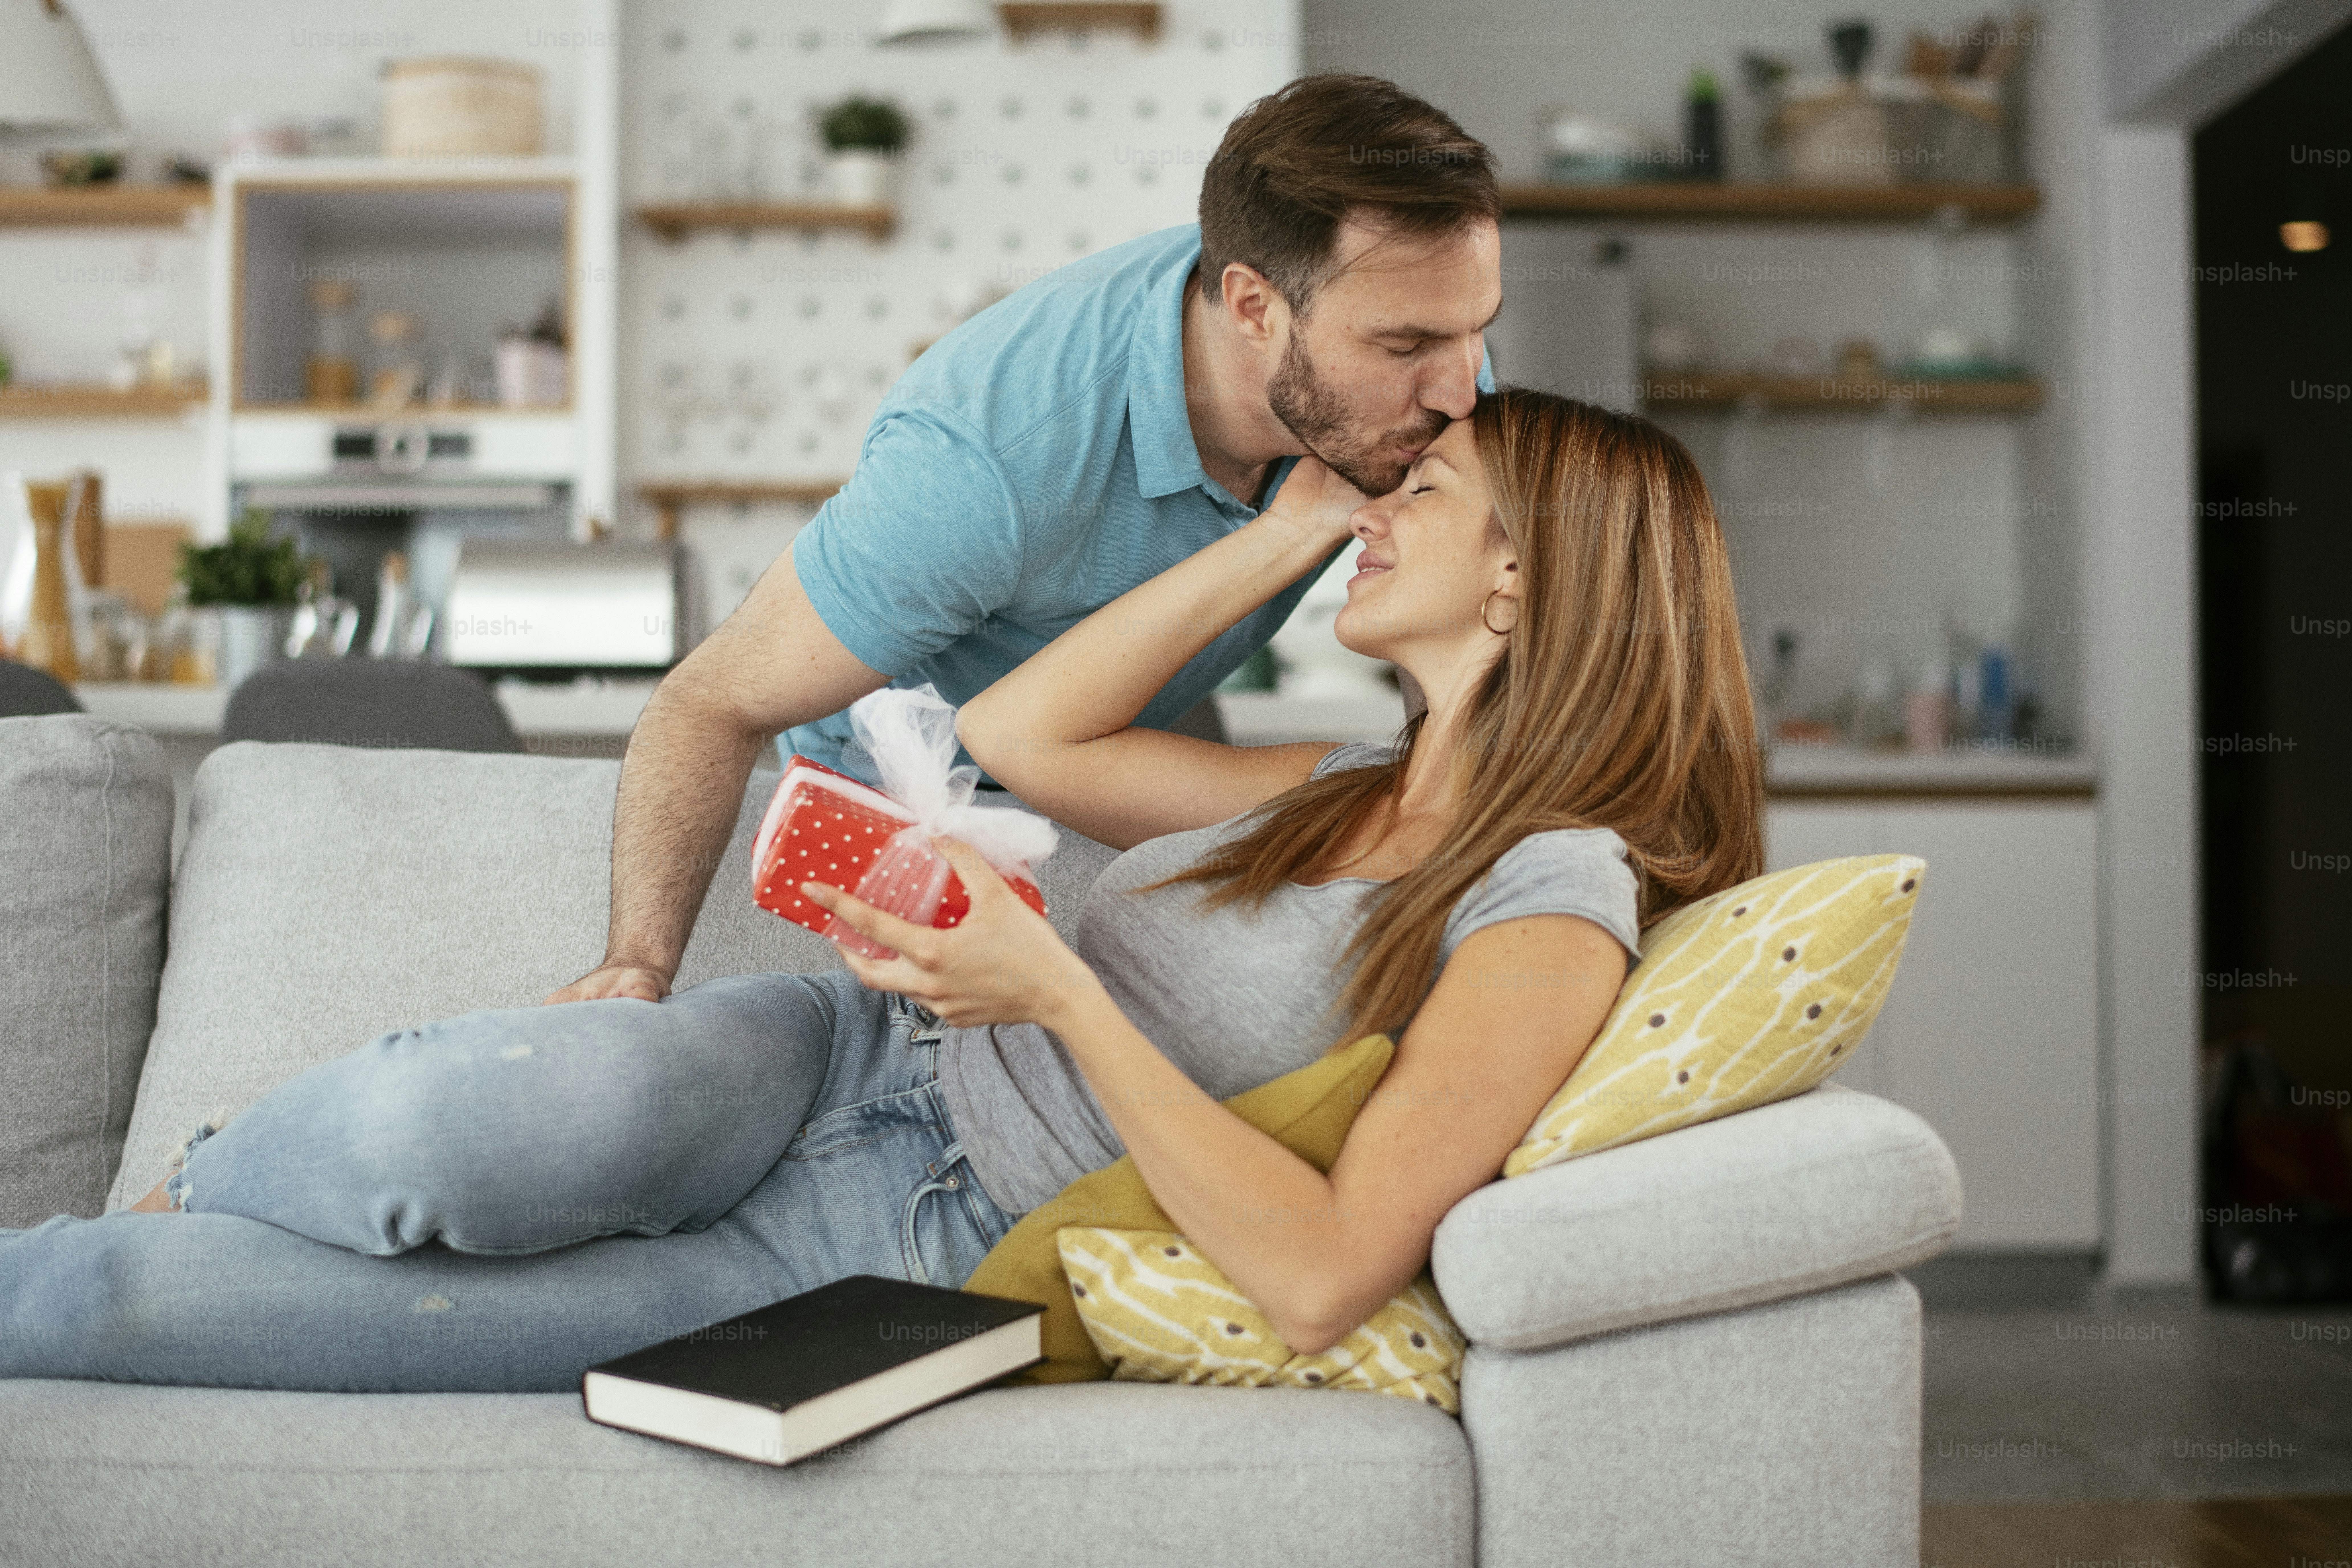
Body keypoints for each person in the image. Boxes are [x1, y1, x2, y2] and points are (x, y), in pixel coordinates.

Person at [0, 389, 1763, 1391]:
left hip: (917, 1241)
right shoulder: (1339, 785)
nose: (1378, 506)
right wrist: (1284, 531)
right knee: (421, 1135)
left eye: (1420, 491)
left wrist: (1056, 989)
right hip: (852, 1056)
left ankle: (108, 1259)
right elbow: (1021, 731)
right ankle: (198, 1174)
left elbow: (1320, 1278)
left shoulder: (1550, 894)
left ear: (1525, 583)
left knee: (121, 1316)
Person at [553, 71, 1502, 1010]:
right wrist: (639, 965)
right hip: (907, 808)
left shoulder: (1423, 366)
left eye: (1476, 332)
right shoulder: (988, 459)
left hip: (1111, 752)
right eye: (1406, 346)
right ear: (1255, 308)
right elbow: (713, 701)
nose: (1464, 392)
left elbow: (1460, 635)